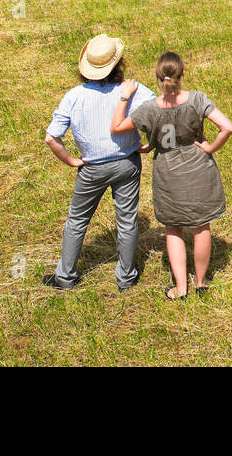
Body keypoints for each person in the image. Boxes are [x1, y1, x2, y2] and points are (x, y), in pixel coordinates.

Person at [111, 52, 232, 299]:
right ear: (183, 74)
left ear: (158, 77)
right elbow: (227, 127)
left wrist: (124, 97)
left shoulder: (149, 109)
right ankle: (201, 283)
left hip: (168, 173)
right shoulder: (198, 99)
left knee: (173, 229)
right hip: (199, 169)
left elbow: (116, 127)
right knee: (202, 226)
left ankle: (181, 288)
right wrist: (210, 147)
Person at [43, 34, 155, 291]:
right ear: (118, 64)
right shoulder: (132, 90)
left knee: (77, 220)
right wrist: (149, 144)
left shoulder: (74, 96)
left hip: (91, 168)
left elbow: (51, 138)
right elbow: (160, 113)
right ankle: (126, 279)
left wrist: (71, 160)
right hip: (127, 164)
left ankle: (65, 277)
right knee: (127, 220)